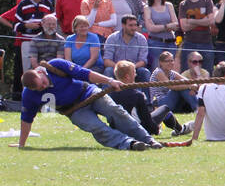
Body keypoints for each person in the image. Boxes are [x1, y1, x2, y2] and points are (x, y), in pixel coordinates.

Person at [14, 58, 159, 151]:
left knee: (115, 111)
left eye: (43, 83)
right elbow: (26, 119)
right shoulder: (29, 95)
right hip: (74, 110)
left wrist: (110, 81)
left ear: (40, 73)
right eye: (39, 89)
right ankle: (130, 144)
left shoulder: (55, 65)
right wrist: (21, 145)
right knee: (97, 127)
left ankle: (148, 140)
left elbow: (86, 74)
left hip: (89, 92)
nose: (43, 87)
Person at [109, 60, 189, 137]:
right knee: (165, 108)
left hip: (118, 130)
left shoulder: (112, 94)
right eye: (134, 72)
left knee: (158, 111)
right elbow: (146, 120)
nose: (135, 75)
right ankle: (180, 129)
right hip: (138, 130)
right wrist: (156, 129)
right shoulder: (137, 95)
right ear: (127, 76)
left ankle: (179, 129)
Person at [177, 0, 216, 72]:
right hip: (189, 43)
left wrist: (191, 21)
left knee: (207, 74)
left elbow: (210, 21)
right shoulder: (183, 4)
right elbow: (184, 27)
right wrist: (203, 20)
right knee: (186, 75)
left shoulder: (207, 0)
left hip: (206, 43)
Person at [101, 14, 150, 79]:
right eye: (130, 25)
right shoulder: (112, 38)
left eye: (135, 25)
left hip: (135, 68)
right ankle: (105, 89)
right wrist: (120, 68)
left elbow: (143, 61)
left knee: (144, 72)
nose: (134, 28)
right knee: (108, 71)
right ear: (123, 25)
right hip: (116, 68)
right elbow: (107, 60)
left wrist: (131, 68)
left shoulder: (141, 39)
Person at [144, 0, 181, 69]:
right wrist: (167, 26)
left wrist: (159, 27)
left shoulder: (169, 5)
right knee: (157, 70)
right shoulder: (147, 8)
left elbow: (176, 25)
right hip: (155, 43)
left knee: (171, 70)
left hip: (171, 43)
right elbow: (150, 28)